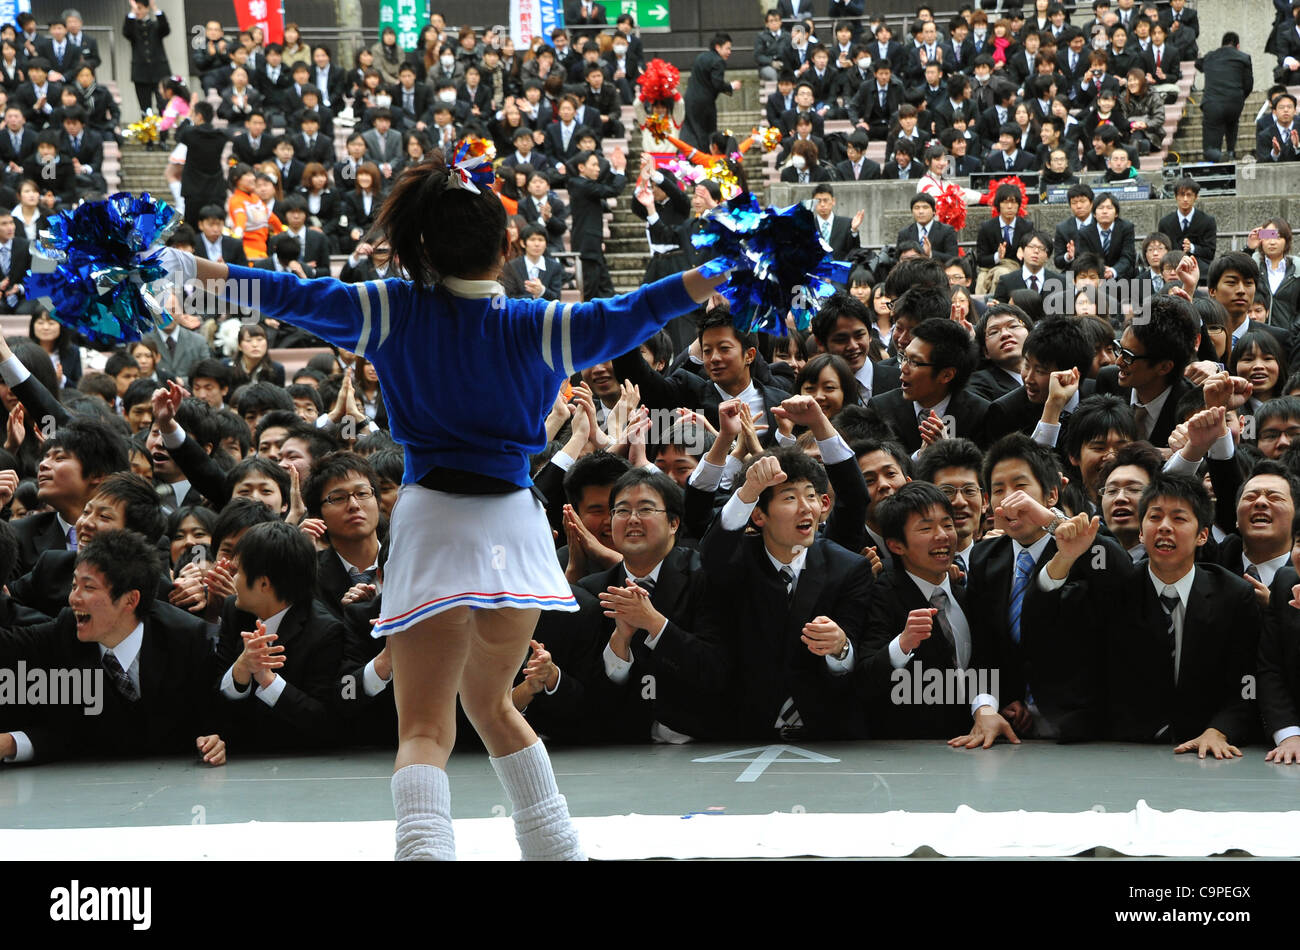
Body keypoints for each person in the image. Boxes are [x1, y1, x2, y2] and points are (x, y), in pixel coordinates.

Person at [162, 148, 725, 860]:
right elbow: (639, 309)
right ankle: (559, 851)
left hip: (430, 522)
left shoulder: (387, 309)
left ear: (422, 244)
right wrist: (727, 266)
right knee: (492, 704)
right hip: (512, 527)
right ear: (508, 245)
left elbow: (281, 293)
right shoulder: (539, 323)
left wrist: (179, 270)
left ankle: (425, 853)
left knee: (424, 727)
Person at [1196, 32, 1252, 162]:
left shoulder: (1210, 56)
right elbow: (1248, 85)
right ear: (1237, 46)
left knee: (1210, 149)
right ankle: (1230, 152)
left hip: (1213, 104)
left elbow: (1198, 64)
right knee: (1232, 123)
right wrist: (1239, 98)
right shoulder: (1244, 57)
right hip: (1235, 103)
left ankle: (1220, 156)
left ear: (1222, 45)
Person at [681, 34, 741, 149]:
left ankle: (691, 158)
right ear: (718, 47)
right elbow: (717, 84)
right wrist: (731, 86)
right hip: (705, 105)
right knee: (707, 134)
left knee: (691, 132)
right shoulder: (718, 61)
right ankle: (707, 159)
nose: (730, 52)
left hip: (690, 101)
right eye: (727, 48)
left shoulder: (701, 57)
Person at [122, 0, 170, 119]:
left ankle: (163, 135)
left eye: (140, 8)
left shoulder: (155, 25)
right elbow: (126, 32)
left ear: (146, 9)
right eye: (136, 8)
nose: (138, 11)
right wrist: (132, 11)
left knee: (163, 104)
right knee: (145, 107)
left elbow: (165, 29)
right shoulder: (133, 27)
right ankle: (148, 136)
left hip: (160, 72)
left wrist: (154, 8)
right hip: (141, 73)